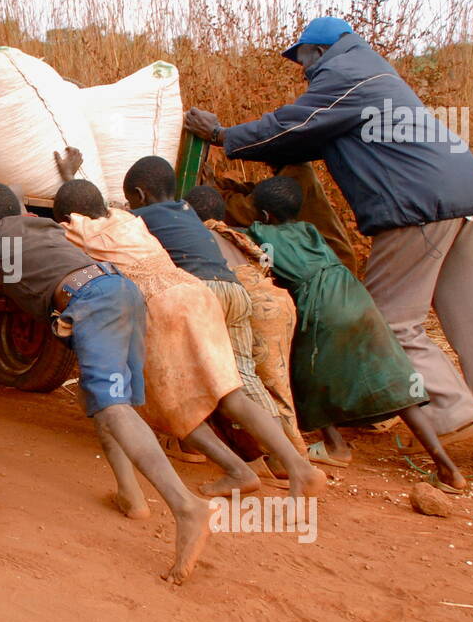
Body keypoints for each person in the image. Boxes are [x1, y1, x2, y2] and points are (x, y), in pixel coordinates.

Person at [184, 15, 473, 485]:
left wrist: (222, 136)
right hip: (467, 198)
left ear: (318, 50)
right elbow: (310, 137)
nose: (302, 71)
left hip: (418, 208)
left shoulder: (346, 76)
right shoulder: (379, 73)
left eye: (302, 60)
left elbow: (295, 124)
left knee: (384, 322)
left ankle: (452, 413)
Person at [0, 182, 212, 584]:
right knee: (104, 400)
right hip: (122, 290)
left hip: (92, 299)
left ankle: (186, 506)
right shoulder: (42, 229)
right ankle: (131, 496)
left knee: (112, 406)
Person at [52, 178, 327, 499]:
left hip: (161, 305)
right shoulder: (128, 219)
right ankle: (299, 467)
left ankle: (238, 471)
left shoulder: (76, 231)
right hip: (196, 292)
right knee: (229, 392)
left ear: (68, 216)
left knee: (174, 410)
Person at [247, 176, 466, 491]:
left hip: (321, 304)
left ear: (264, 215)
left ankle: (335, 446)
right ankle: (446, 466)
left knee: (305, 375)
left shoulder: (259, 233)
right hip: (356, 297)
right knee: (395, 381)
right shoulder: (311, 230)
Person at [120, 156, 288, 437]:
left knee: (187, 370)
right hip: (234, 290)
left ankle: (189, 442)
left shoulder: (141, 218)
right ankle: (280, 454)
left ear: (139, 195)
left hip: (202, 293)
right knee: (243, 375)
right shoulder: (186, 210)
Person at [185, 184, 310, 461]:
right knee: (275, 384)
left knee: (258, 383)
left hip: (253, 307)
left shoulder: (194, 235)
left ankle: (287, 461)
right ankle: (285, 457)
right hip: (277, 300)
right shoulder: (232, 234)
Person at [209, 162, 358, 272]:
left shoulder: (297, 172)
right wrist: (218, 184)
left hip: (329, 265)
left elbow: (247, 212)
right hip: (320, 260)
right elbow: (256, 192)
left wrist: (210, 193)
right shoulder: (291, 168)